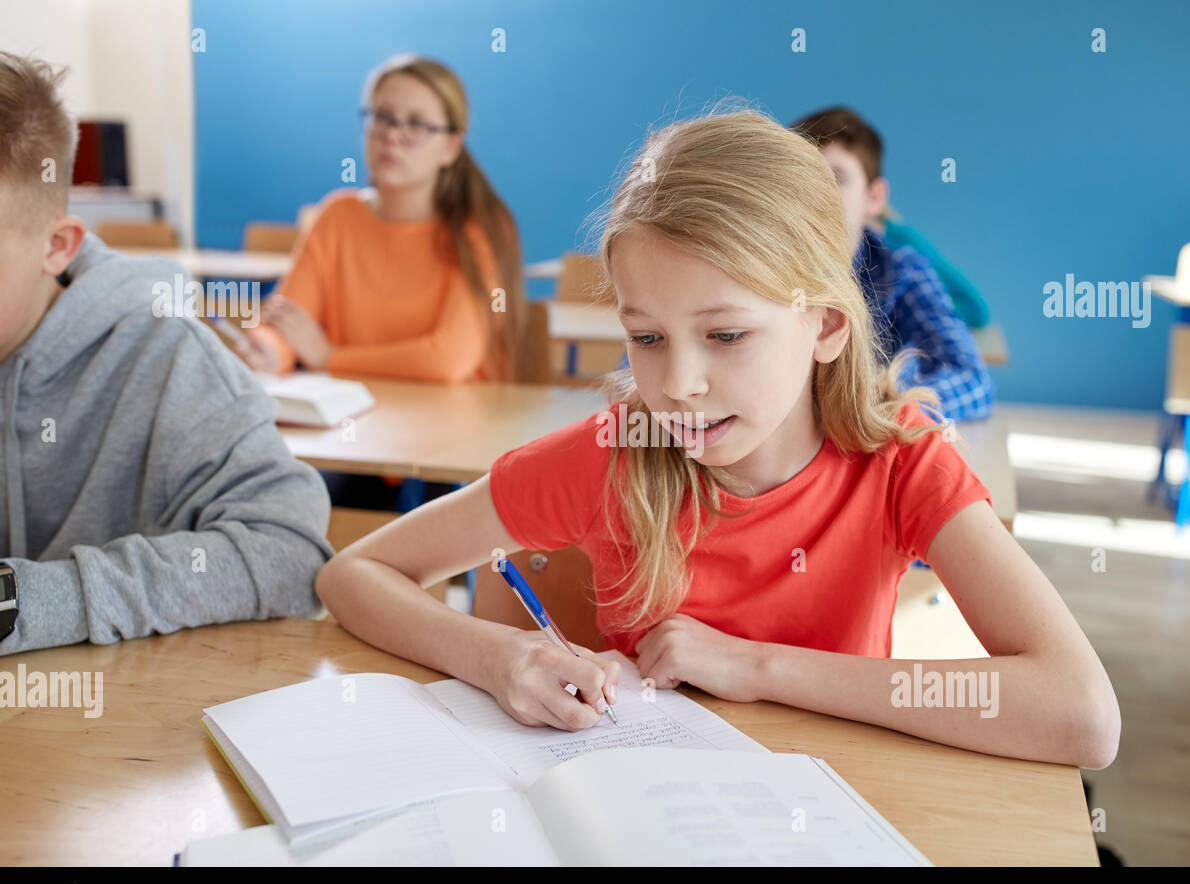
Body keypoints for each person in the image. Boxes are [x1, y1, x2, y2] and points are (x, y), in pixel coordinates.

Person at [315, 107, 1120, 770]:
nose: (678, 385)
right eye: (647, 337)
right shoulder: (613, 452)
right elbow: (355, 574)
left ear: (826, 327)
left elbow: (1081, 714)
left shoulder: (901, 461)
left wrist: (753, 666)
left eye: (727, 335)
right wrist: (497, 657)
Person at [0, 52, 331, 654]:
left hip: (101, 730)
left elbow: (291, 552)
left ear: (56, 246)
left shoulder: (165, 353)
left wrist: (23, 601)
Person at [241, 53, 532, 509]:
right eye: (382, 117)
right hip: (355, 427)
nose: (393, 135)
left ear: (451, 146)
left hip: (448, 443)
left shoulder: (478, 229)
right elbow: (286, 322)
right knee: (274, 495)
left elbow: (447, 360)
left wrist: (329, 356)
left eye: (417, 124)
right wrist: (266, 350)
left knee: (323, 513)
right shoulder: (337, 216)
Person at [792, 106, 994, 422]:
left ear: (874, 197)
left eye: (836, 178)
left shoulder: (902, 271)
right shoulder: (760, 272)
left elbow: (971, 380)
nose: (817, 196)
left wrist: (881, 409)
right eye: (802, 178)